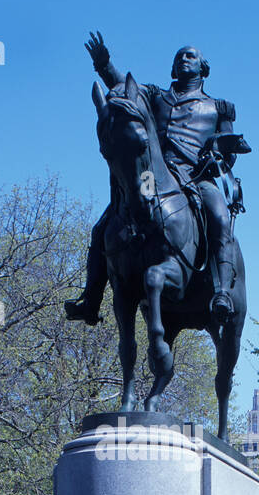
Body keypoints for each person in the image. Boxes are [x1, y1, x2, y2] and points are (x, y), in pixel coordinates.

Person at [66, 34, 249, 326]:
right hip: (155, 176)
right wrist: (105, 65)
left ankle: (222, 291)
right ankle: (90, 299)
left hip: (195, 177)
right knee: (104, 226)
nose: (183, 59)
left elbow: (229, 155)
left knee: (219, 217)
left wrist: (220, 153)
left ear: (203, 67)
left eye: (190, 56)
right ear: (173, 69)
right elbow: (124, 87)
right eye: (179, 57)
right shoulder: (155, 96)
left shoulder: (218, 107)